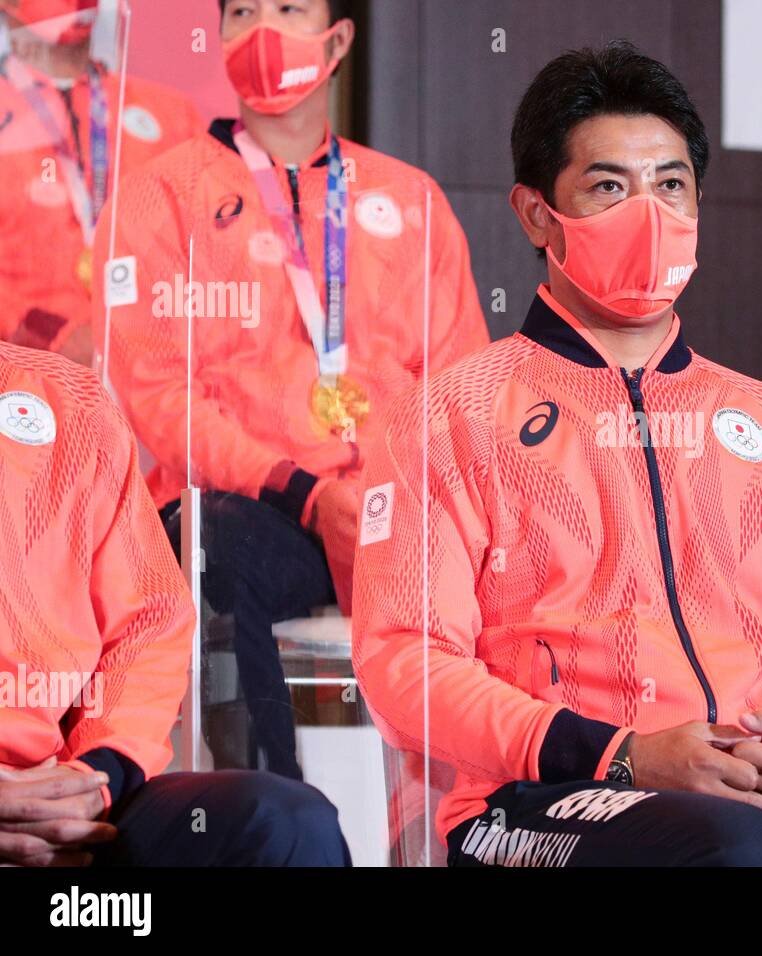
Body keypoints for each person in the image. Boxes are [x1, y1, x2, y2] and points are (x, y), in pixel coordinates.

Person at [352, 41, 762, 867]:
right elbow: (406, 661)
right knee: (734, 852)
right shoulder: (449, 416)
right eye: (609, 187)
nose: (650, 213)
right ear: (535, 215)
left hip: (752, 796)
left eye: (671, 185)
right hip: (530, 798)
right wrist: (620, 754)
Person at [94, 0, 489, 779]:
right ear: (223, 37)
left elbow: (459, 396)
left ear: (338, 38)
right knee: (211, 545)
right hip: (249, 515)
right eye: (243, 10)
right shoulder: (159, 197)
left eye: (289, 8)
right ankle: (277, 822)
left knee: (510, 552)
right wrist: (304, 492)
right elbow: (156, 392)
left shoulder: (412, 202)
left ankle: (479, 824)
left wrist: (384, 501)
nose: (264, 28)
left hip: (391, 521)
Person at [0, 340, 350, 866]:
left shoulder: (68, 403)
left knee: (289, 827)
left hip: (69, 794)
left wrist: (95, 777)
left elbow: (148, 622)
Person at [0, 0, 202, 365]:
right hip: (26, 396)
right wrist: (49, 335)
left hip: (156, 391)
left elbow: (218, 258)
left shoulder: (173, 116)